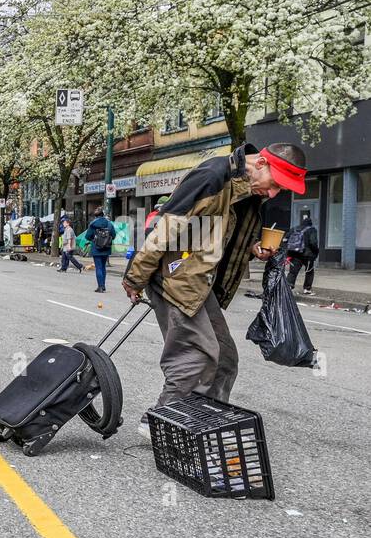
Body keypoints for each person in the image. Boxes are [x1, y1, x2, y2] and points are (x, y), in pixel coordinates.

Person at [123, 142, 309, 420]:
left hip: (199, 280)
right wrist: (135, 278)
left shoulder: (247, 190)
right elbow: (164, 229)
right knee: (193, 360)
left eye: (280, 189)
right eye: (275, 184)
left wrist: (252, 247)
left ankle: (205, 421)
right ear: (260, 163)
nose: (273, 193)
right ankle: (163, 424)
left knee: (224, 359)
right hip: (175, 278)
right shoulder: (212, 176)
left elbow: (215, 232)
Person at [283, 211, 319, 295]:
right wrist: (316, 252)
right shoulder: (312, 230)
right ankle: (307, 289)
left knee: (293, 272)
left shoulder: (294, 229)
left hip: (295, 254)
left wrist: (289, 250)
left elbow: (285, 239)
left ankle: (289, 287)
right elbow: (313, 243)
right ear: (310, 224)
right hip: (308, 255)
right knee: (309, 272)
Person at [82, 207, 116, 292]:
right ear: (103, 214)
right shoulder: (109, 224)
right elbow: (114, 235)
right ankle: (103, 285)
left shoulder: (92, 224)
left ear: (95, 216)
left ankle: (100, 287)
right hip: (106, 248)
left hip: (96, 248)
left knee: (98, 267)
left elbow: (87, 236)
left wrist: (95, 240)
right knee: (103, 267)